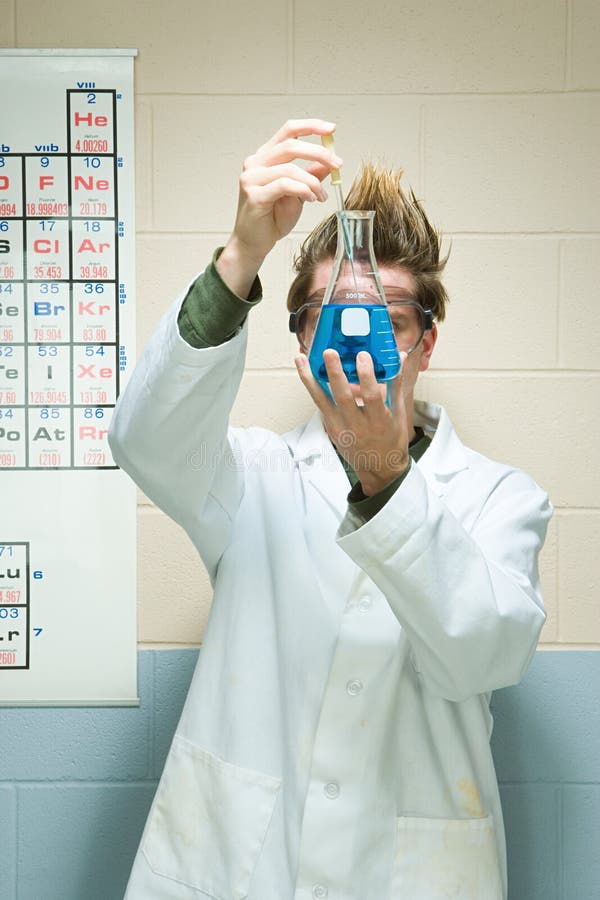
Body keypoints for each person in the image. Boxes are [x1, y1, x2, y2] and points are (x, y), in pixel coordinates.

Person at [109, 119, 551, 900]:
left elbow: (486, 654)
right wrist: (242, 254)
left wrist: (384, 472)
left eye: (389, 320)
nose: (358, 346)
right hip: (243, 869)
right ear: (302, 341)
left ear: (425, 345)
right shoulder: (253, 476)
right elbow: (144, 439)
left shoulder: (500, 500)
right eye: (330, 318)